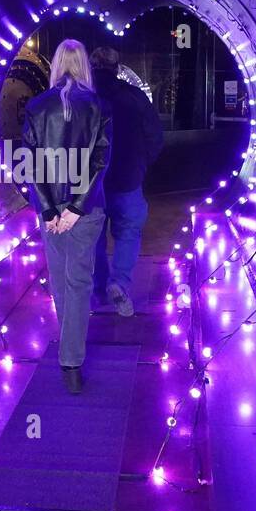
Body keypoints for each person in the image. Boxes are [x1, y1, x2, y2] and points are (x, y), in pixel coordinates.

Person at [22, 39, 111, 394]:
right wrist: (76, 207)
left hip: (51, 213)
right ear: (84, 65)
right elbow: (100, 161)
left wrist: (49, 209)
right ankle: (71, 362)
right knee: (78, 284)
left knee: (61, 284)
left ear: (57, 64)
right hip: (86, 211)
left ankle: (69, 355)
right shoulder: (98, 106)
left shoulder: (37, 106)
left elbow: (30, 163)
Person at [89, 46, 164, 317]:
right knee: (129, 233)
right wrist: (142, 164)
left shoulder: (83, 96)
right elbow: (155, 136)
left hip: (90, 184)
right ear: (117, 66)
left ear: (92, 65)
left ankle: (96, 291)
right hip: (128, 178)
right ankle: (119, 283)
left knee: (93, 238)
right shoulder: (134, 96)